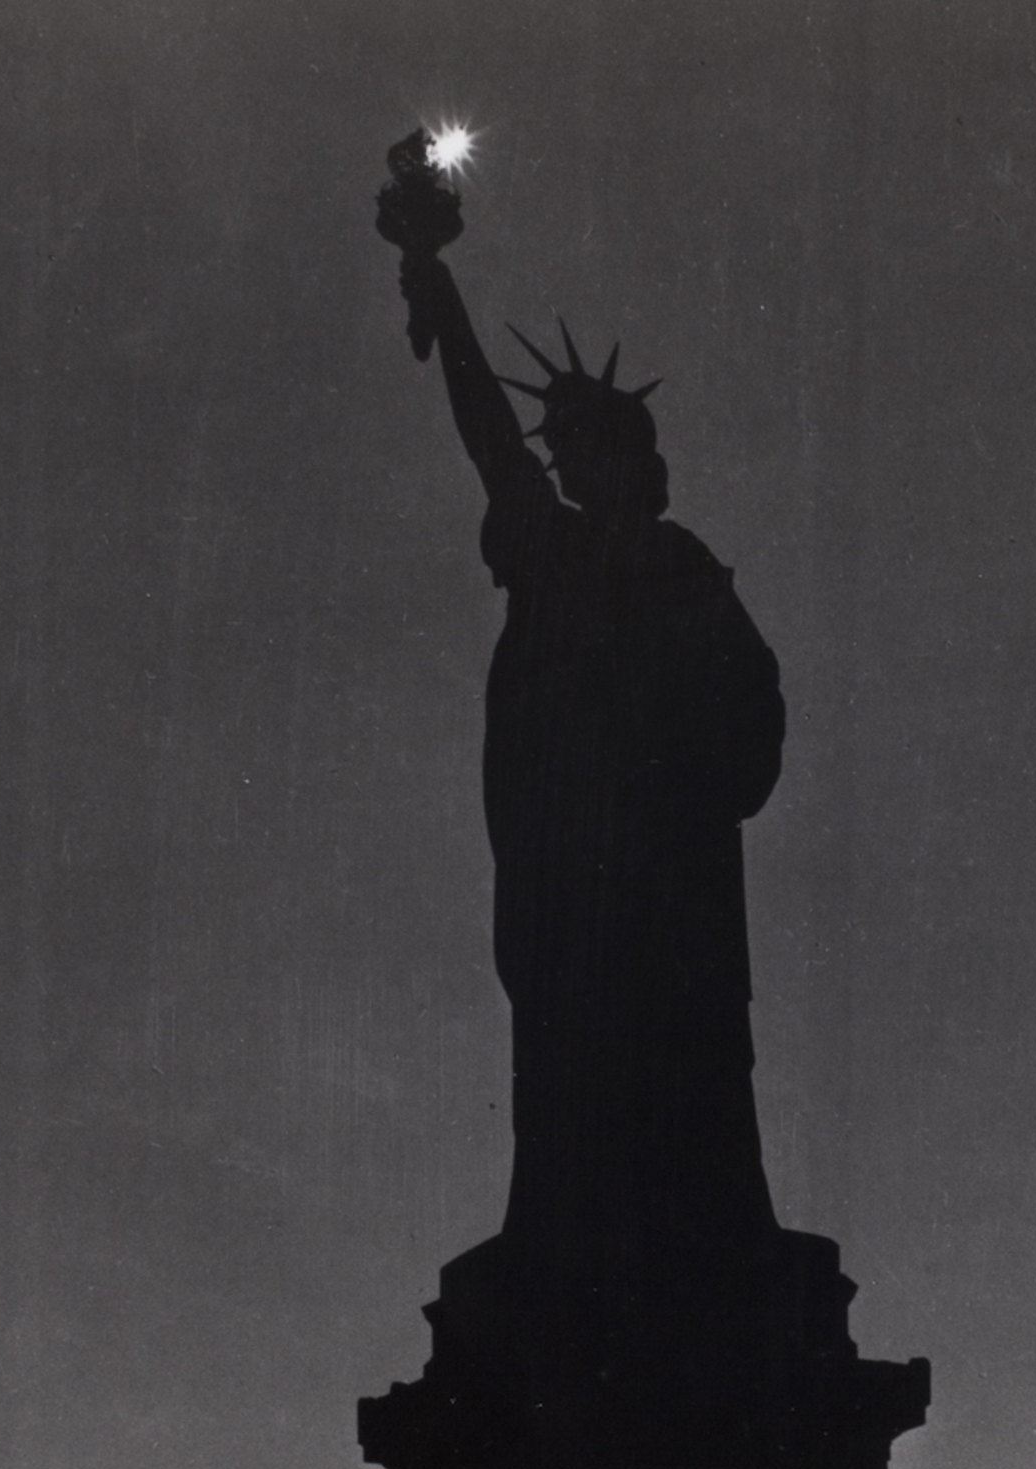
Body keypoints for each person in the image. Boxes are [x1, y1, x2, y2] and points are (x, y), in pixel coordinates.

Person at [377, 135, 786, 1270]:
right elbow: (487, 440)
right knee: (571, 1064)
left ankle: (694, 1244)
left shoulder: (680, 569)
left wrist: (674, 764)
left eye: (589, 452)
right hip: (571, 868)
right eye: (565, 457)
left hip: (663, 871)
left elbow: (753, 719)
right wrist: (436, 282)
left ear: (635, 463)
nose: (569, 471)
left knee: (681, 1065)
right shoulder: (551, 554)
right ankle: (576, 1232)